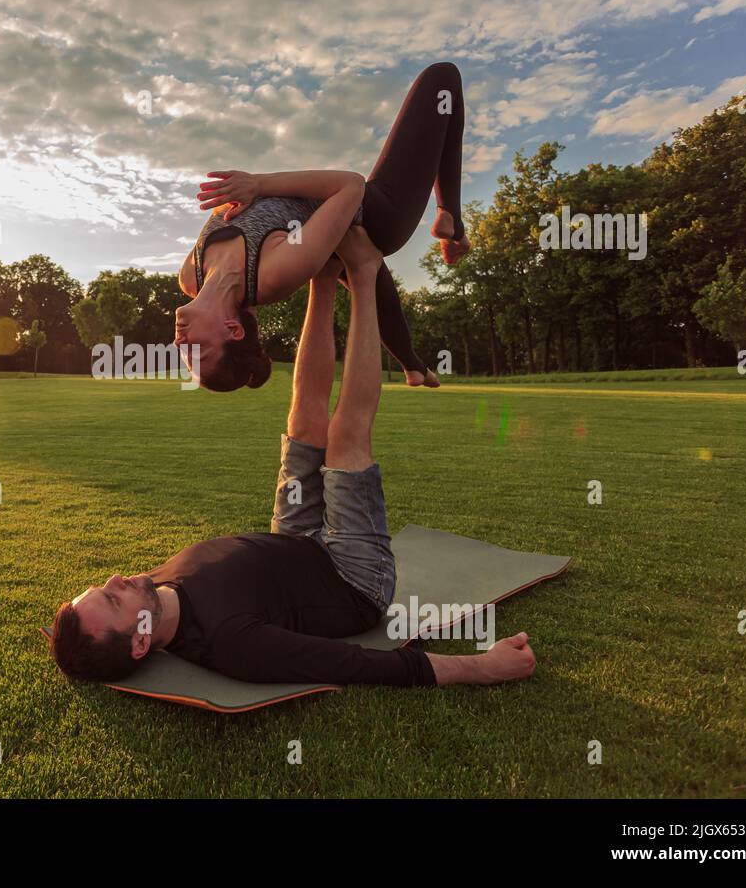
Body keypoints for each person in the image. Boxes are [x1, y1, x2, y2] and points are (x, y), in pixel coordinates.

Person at [52, 227, 536, 688]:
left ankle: (323, 280)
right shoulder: (235, 644)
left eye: (103, 586)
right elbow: (354, 664)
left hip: (295, 541)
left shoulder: (149, 591)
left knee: (303, 423)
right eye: (112, 597)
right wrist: (482, 666)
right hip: (352, 578)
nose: (116, 578)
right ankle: (363, 276)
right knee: (346, 441)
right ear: (140, 642)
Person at [176, 61, 470, 392]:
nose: (179, 344)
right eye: (196, 351)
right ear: (233, 329)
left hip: (331, 234)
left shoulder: (190, 275)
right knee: (443, 80)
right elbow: (350, 186)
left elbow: (226, 209)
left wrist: (239, 197)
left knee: (341, 258)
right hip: (380, 214)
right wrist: (257, 184)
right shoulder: (273, 275)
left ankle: (413, 366)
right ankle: (451, 218)